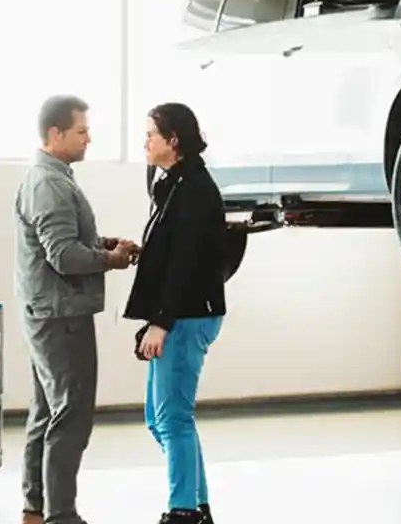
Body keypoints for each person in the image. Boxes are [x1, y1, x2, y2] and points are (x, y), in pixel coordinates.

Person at [14, 94, 139, 524]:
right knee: (71, 415)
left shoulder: (50, 178)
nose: (89, 138)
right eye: (82, 131)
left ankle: (35, 507)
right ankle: (61, 515)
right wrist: (110, 260)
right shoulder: (50, 184)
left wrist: (104, 245)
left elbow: (63, 242)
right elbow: (63, 256)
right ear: (56, 134)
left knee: (46, 412)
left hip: (46, 312)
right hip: (62, 317)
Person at [124, 102, 228, 524]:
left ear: (174, 141)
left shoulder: (194, 190)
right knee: (161, 418)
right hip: (179, 313)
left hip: (186, 316)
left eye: (151, 134)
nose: (144, 141)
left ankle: (183, 510)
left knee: (172, 418)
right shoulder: (175, 183)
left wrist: (162, 322)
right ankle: (196, 506)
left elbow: (185, 264)